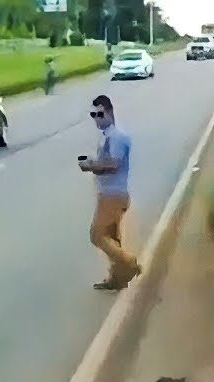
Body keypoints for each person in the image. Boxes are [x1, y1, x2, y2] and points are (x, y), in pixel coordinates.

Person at [79, 94, 142, 290]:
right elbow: (106, 162)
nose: (97, 119)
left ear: (109, 112)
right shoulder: (108, 137)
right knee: (112, 238)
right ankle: (118, 278)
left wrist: (91, 166)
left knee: (97, 235)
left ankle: (129, 263)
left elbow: (113, 164)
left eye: (99, 114)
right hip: (108, 194)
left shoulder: (117, 137)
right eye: (93, 115)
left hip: (113, 196)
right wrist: (93, 163)